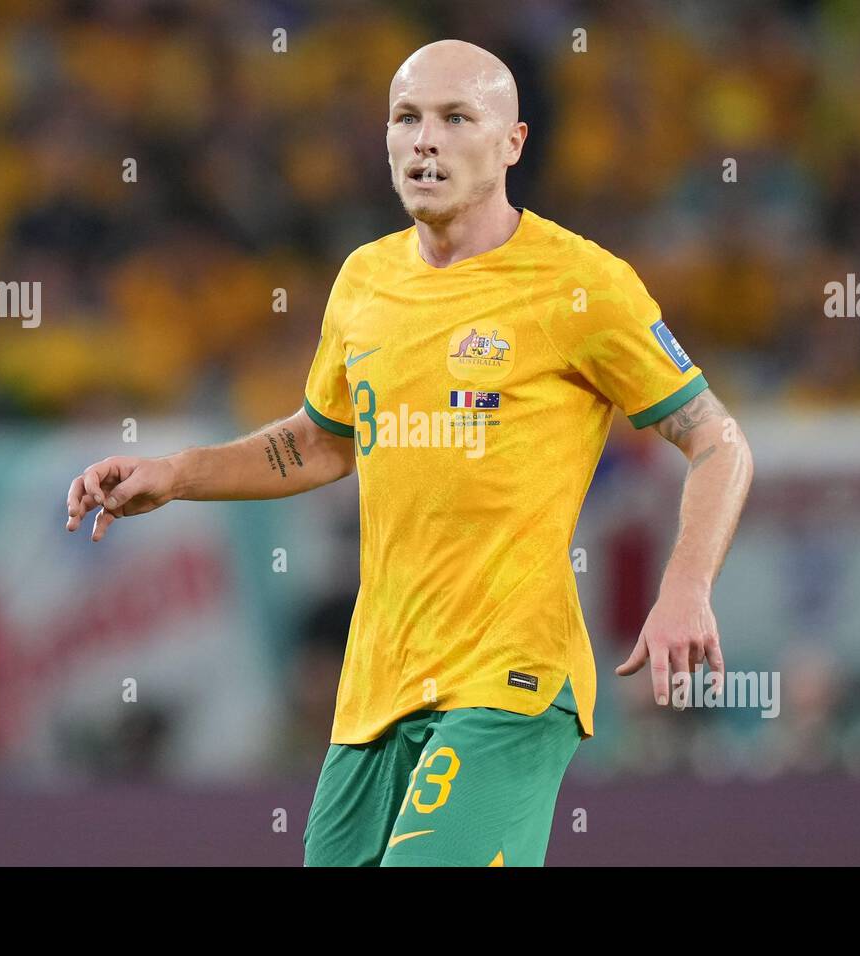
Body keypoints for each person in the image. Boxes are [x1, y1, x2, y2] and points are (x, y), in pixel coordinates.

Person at [64, 39, 754, 866]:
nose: (424, 139)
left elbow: (718, 440)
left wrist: (686, 587)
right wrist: (177, 474)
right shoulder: (364, 281)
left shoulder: (582, 286)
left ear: (512, 144)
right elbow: (320, 443)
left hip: (510, 680)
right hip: (376, 691)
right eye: (406, 118)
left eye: (455, 118)